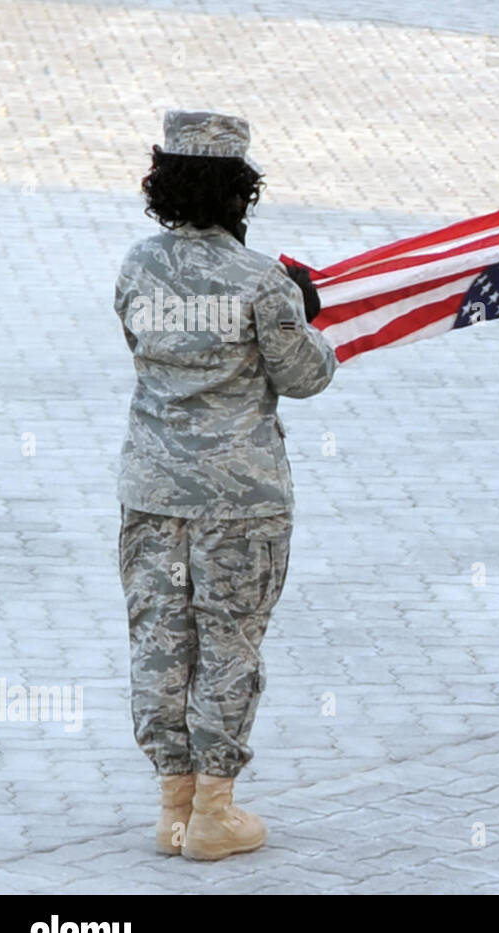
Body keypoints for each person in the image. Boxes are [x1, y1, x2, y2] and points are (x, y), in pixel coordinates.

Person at [115, 110, 336, 858]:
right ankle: (215, 808)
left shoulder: (137, 266)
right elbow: (305, 376)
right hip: (239, 498)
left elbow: (140, 345)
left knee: (159, 640)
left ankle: (171, 804)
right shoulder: (260, 281)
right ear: (241, 191)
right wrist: (303, 312)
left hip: (152, 488)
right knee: (229, 640)